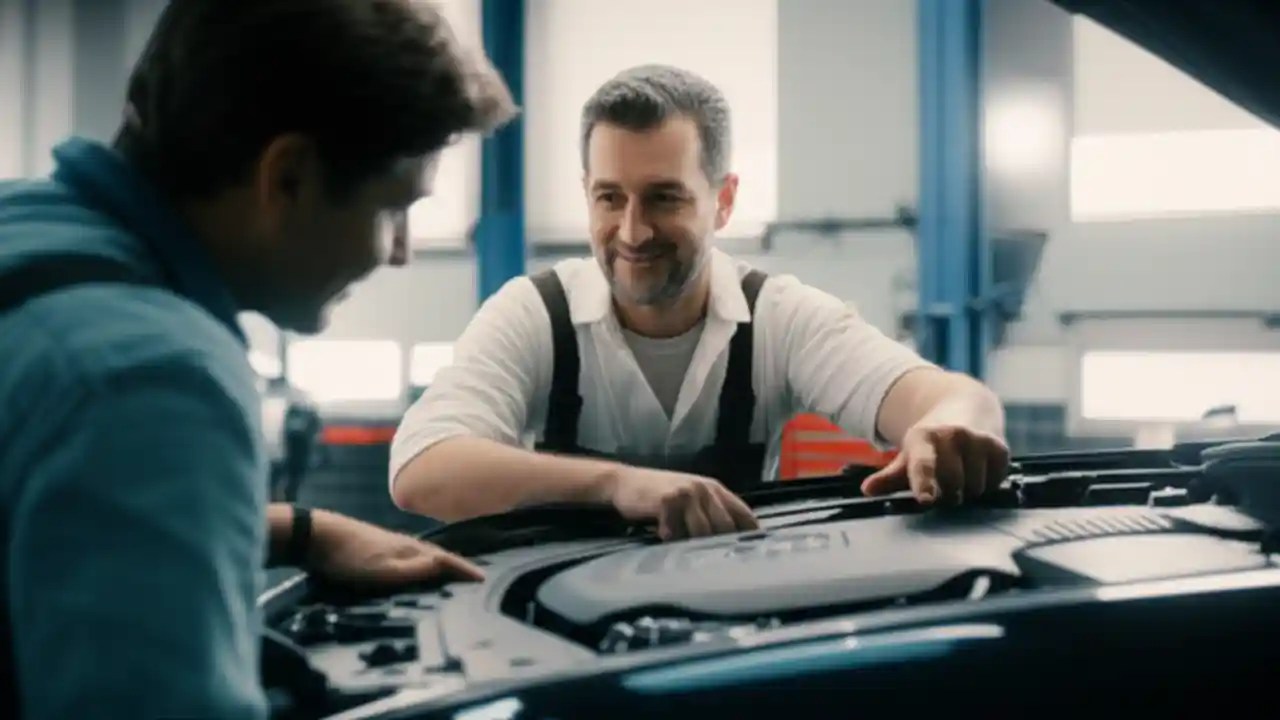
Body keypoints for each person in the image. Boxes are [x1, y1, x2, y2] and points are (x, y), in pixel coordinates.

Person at [0, 1, 516, 718]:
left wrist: (303, 531)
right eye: (394, 210)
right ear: (290, 177)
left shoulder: (25, 230)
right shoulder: (155, 382)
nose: (399, 252)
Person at [390, 64, 1010, 541]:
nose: (632, 231)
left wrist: (950, 430)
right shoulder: (533, 316)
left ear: (724, 199)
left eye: (664, 198)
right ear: (587, 195)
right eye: (610, 198)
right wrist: (620, 485)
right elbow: (422, 468)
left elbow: (959, 399)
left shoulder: (778, 319)